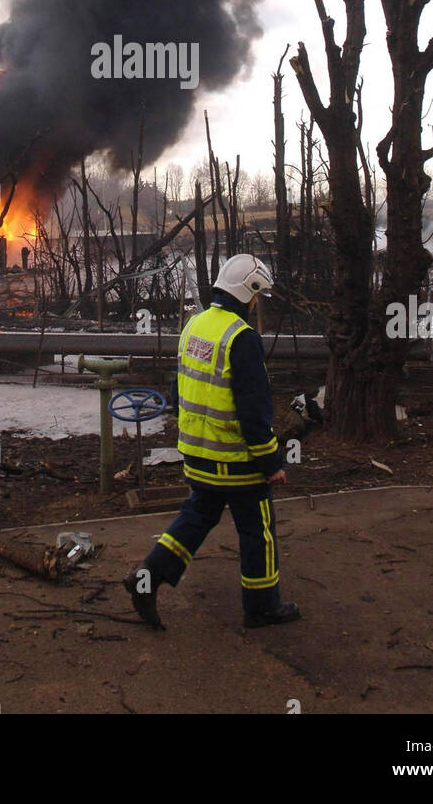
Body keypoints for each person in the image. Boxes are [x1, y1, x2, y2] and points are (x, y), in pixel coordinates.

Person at [124, 253, 300, 629]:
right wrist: (272, 463)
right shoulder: (242, 338)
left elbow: (177, 389)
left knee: (195, 519)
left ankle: (146, 579)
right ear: (247, 292)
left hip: (197, 457)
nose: (257, 305)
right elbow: (254, 411)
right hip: (237, 462)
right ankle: (262, 607)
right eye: (257, 297)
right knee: (258, 530)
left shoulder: (194, 327)